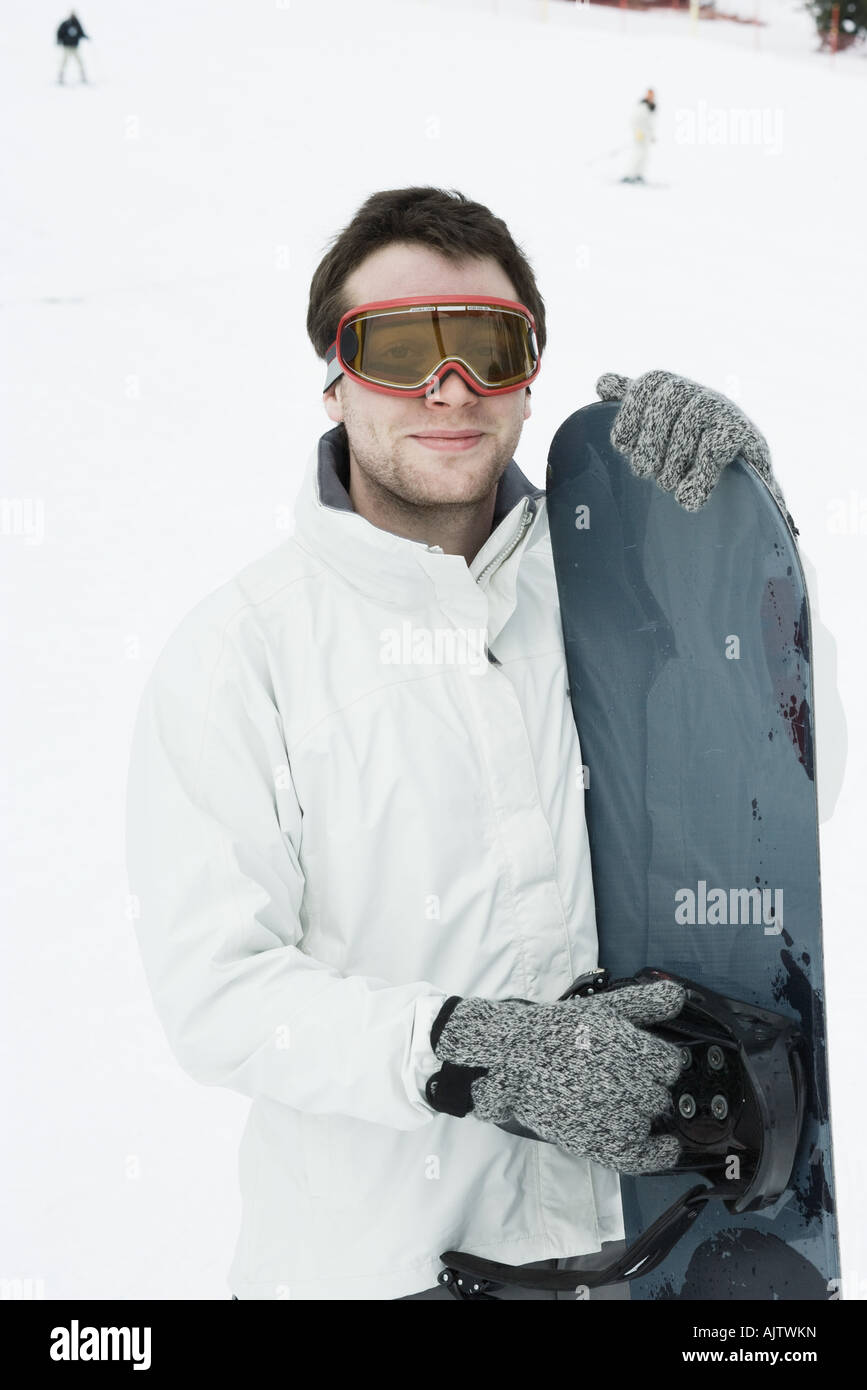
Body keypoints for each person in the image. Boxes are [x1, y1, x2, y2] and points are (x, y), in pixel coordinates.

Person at [125, 186, 787, 1301]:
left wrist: (743, 549)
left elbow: (786, 805)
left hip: (648, 1259)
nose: (450, 386)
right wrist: (462, 1048)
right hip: (374, 1276)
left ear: (528, 378)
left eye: (486, 345)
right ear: (334, 379)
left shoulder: (621, 600)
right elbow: (217, 995)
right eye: (396, 347)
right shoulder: (239, 655)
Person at [623, 86, 657, 184]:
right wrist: (637, 132)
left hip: (646, 137)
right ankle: (630, 175)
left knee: (645, 156)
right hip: (639, 136)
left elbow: (650, 124)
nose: (650, 96)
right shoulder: (641, 106)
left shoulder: (652, 107)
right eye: (649, 94)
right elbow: (634, 121)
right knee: (637, 154)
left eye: (652, 95)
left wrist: (652, 136)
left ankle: (639, 174)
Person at [56, 11, 88, 85]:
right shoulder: (65, 24)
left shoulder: (77, 24)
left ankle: (83, 77)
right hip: (67, 47)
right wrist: (59, 39)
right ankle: (61, 77)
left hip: (75, 47)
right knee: (64, 62)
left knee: (80, 62)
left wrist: (85, 36)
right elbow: (59, 32)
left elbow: (81, 32)